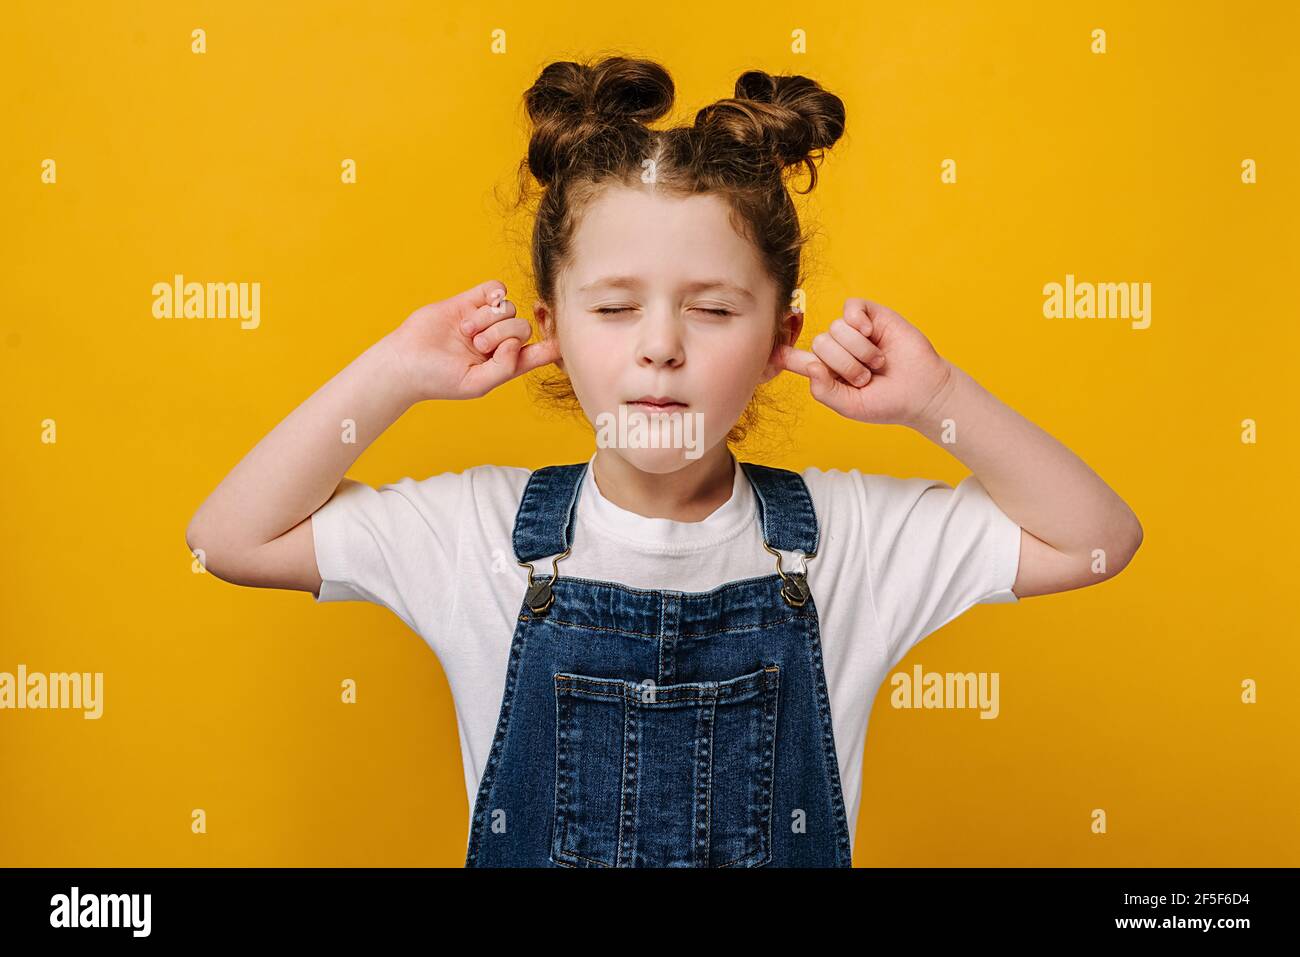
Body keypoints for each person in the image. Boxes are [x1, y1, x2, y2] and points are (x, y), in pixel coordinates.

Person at [185, 56, 1143, 867]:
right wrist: (393, 371)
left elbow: (1099, 539)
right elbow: (228, 537)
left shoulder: (848, 541)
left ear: (782, 335)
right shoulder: (475, 533)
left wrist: (939, 401)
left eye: (714, 308)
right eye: (613, 307)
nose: (660, 346)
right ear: (550, 326)